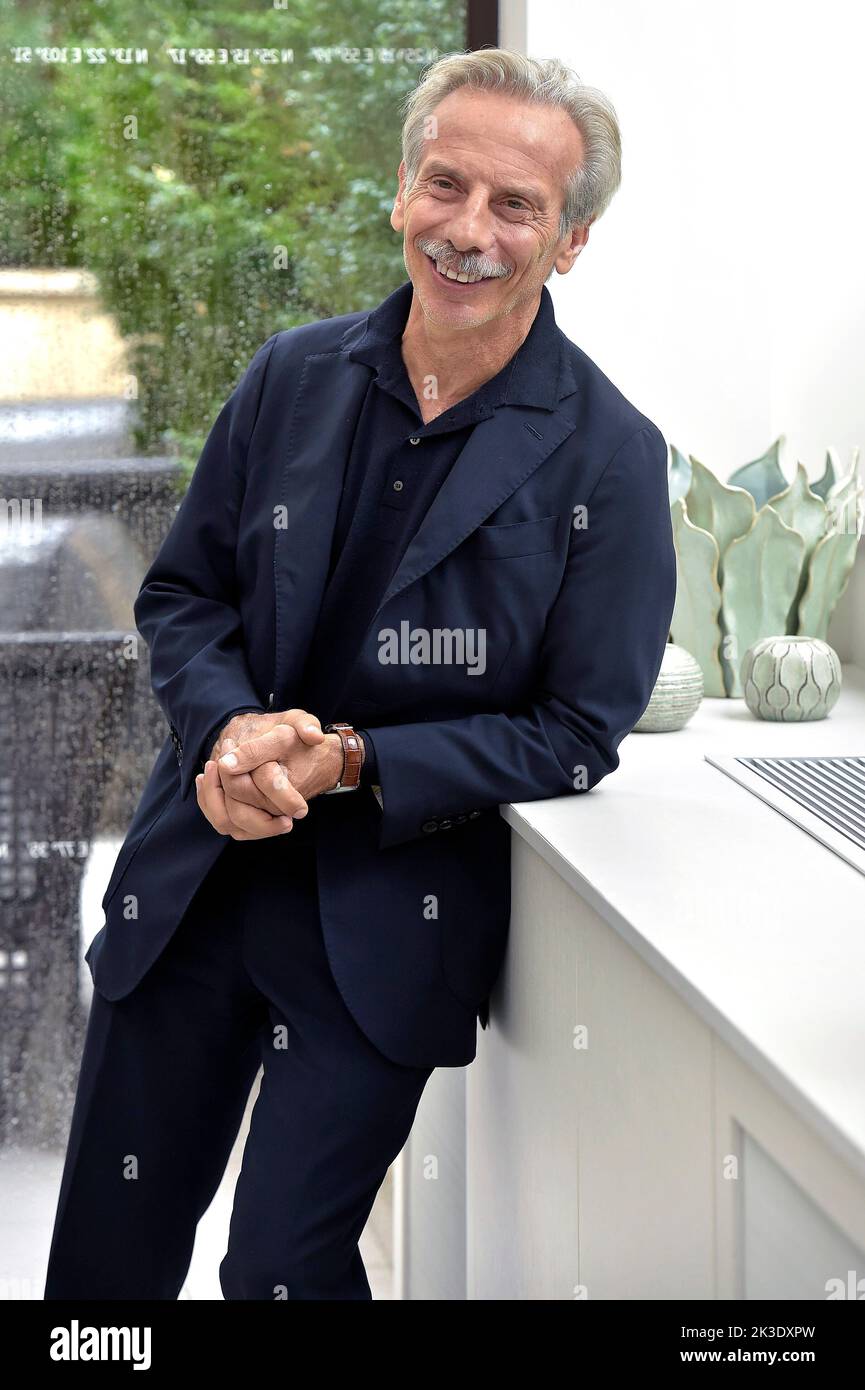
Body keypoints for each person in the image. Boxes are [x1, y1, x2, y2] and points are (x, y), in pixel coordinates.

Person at [44, 47, 676, 1300]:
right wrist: (231, 733)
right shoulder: (289, 374)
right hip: (195, 872)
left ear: (570, 242)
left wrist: (350, 762)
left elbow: (576, 726)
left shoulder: (610, 455)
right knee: (101, 1276)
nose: (468, 230)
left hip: (382, 924)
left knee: (280, 1273)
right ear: (399, 191)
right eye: (445, 184)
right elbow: (184, 595)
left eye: (516, 205)